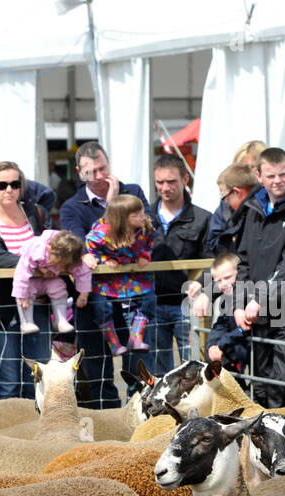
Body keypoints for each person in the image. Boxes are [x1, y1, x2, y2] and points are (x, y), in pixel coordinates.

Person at [59, 141, 151, 406]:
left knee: (139, 370)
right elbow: (79, 247)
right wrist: (114, 212)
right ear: (79, 172)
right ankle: (107, 430)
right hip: (94, 301)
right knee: (100, 373)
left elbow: (144, 235)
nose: (98, 177)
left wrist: (114, 205)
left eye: (102, 169)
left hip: (133, 296)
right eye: (91, 172)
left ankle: (142, 424)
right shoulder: (71, 206)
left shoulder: (133, 192)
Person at [232, 146, 285, 406]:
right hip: (254, 312)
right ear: (259, 176)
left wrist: (259, 297)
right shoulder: (252, 208)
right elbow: (243, 259)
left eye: (282, 174)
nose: (278, 181)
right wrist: (238, 305)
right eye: (271, 176)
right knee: (260, 383)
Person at [0, 161, 49, 400]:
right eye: (2, 184)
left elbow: (52, 246)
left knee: (37, 377)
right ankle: (6, 436)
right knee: (8, 382)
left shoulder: (36, 213)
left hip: (37, 305)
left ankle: (37, 434)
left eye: (15, 184)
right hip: (0, 309)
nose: (9, 190)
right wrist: (37, 263)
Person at [148, 154, 210, 375]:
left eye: (171, 181)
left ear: (185, 179)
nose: (165, 187)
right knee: (155, 372)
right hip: (150, 304)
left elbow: (213, 260)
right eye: (160, 182)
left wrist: (202, 284)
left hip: (187, 304)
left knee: (193, 370)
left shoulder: (203, 219)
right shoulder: (143, 218)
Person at [85, 195, 156, 357]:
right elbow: (88, 248)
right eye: (135, 215)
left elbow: (151, 241)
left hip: (134, 273)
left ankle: (136, 337)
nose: (141, 217)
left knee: (149, 299)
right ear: (121, 219)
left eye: (141, 212)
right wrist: (104, 259)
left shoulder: (145, 227)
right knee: (101, 307)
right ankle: (114, 343)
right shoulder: (102, 232)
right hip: (108, 277)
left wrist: (145, 254)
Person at [13, 230, 89, 338]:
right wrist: (22, 295)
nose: (63, 268)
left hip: (50, 279)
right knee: (27, 290)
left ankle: (60, 320)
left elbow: (83, 272)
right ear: (50, 250)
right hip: (31, 278)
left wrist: (84, 294)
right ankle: (26, 322)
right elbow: (22, 272)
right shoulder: (36, 250)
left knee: (58, 285)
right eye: (61, 264)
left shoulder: (69, 254)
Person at [194, 252, 248, 374]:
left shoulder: (246, 298)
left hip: (247, 348)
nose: (224, 283)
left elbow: (243, 329)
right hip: (231, 346)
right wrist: (212, 345)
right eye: (218, 281)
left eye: (228, 277)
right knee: (212, 358)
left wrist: (221, 345)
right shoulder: (226, 299)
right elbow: (221, 324)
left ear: (239, 273)